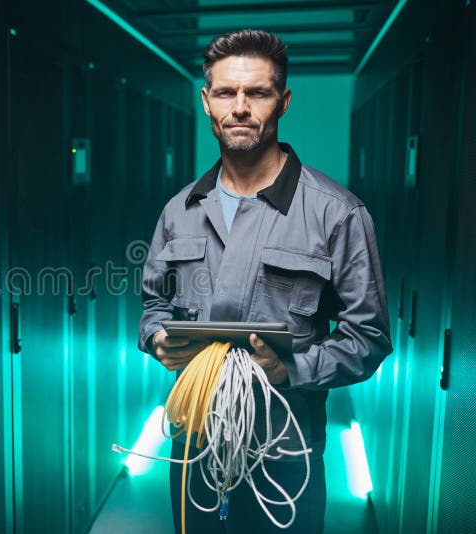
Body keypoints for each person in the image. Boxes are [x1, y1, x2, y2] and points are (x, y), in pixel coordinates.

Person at [138, 29, 392, 533]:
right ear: (206, 101)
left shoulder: (337, 214)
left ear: (283, 101)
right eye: (226, 93)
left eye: (257, 93)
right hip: (196, 448)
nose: (240, 107)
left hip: (286, 452)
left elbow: (369, 338)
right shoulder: (180, 210)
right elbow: (152, 304)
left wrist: (289, 371)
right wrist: (157, 338)